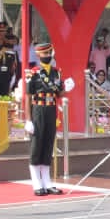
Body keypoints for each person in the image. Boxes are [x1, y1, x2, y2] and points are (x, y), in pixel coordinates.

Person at [24, 41, 74, 196]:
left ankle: (47, 182)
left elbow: (59, 94)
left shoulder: (56, 72)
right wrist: (28, 119)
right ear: (39, 55)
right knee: (36, 145)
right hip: (38, 109)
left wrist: (67, 88)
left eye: (49, 53)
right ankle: (36, 183)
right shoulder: (32, 73)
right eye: (44, 54)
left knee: (48, 144)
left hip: (51, 109)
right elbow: (27, 97)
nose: (47, 56)